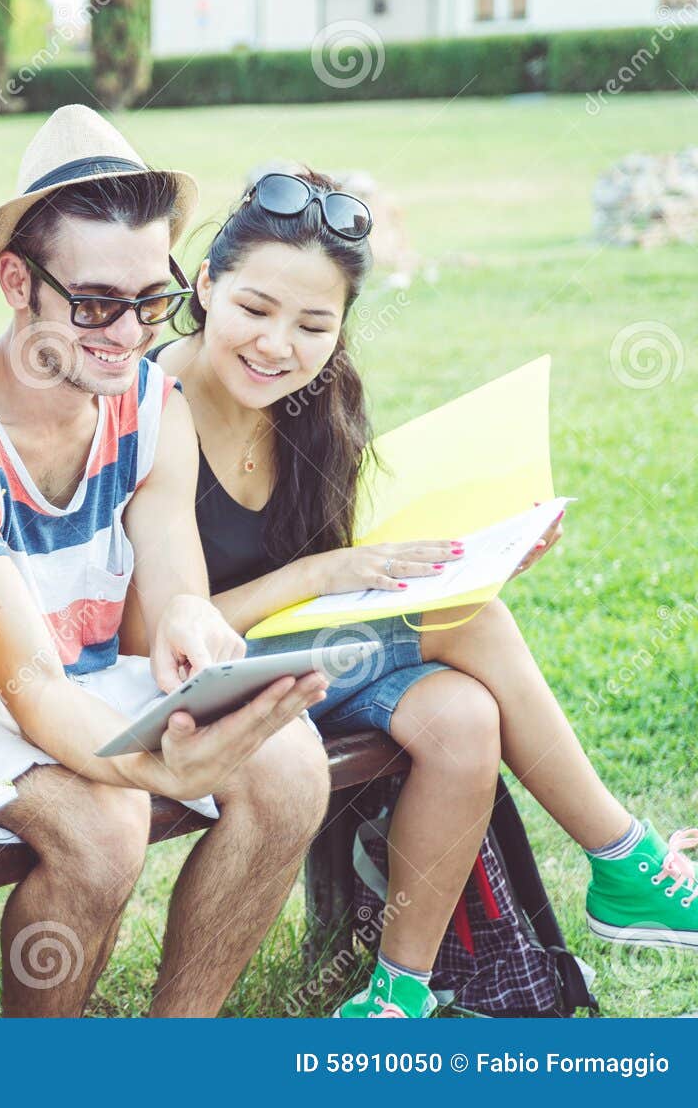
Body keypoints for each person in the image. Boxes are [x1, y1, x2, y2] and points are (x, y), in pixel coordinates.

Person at [151, 164, 698, 1019]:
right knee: (463, 618)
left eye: (313, 324)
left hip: (306, 665)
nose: (275, 344)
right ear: (206, 284)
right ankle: (624, 860)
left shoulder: (312, 403)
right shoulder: (156, 406)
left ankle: (396, 994)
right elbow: (158, 627)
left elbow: (364, 554)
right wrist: (319, 576)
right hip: (191, 680)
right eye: (254, 309)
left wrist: (485, 548)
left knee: (463, 717)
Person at [0, 106, 332, 1017]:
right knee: (105, 830)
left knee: (293, 765)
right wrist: (155, 773)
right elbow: (27, 686)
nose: (129, 332)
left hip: (78, 676)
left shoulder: (152, 396)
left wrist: (190, 618)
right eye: (98, 304)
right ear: (17, 281)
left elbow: (174, 579)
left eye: (154, 301)